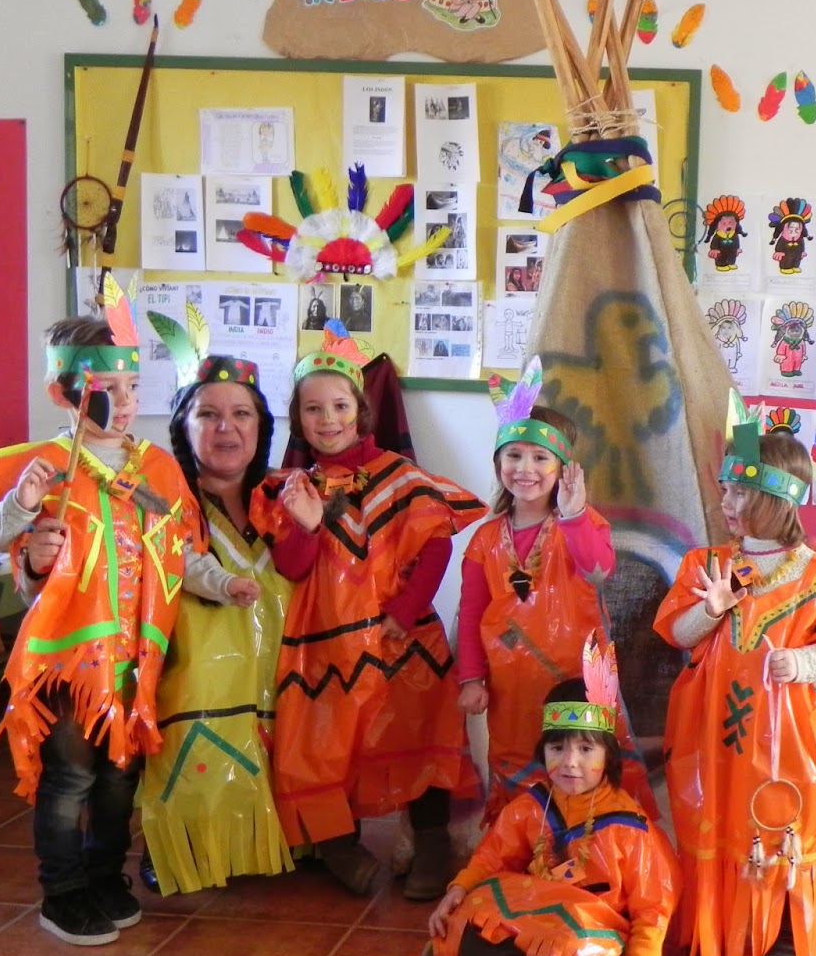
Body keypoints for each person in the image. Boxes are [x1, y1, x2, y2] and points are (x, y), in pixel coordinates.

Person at [0, 282, 219, 945]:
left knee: (119, 773)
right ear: (66, 392)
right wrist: (24, 512)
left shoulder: (155, 469)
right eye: (108, 389)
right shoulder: (42, 466)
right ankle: (63, 892)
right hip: (68, 660)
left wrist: (225, 584)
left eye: (132, 388)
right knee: (72, 774)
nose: (125, 403)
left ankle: (106, 876)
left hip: (134, 655)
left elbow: (182, 551)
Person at [251, 329, 487, 899]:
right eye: (313, 409)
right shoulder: (290, 487)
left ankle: (431, 843)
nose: (327, 419)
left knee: (420, 725)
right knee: (326, 740)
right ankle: (338, 845)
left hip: (402, 635)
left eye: (339, 406)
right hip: (325, 640)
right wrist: (309, 525)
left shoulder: (401, 476)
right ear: (298, 418)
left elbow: (436, 547)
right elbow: (290, 565)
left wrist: (404, 612)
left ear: (360, 410)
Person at [655, 403, 816, 956]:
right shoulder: (706, 564)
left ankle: (784, 928)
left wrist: (805, 662)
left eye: (740, 492)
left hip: (793, 738)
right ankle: (714, 923)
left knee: (785, 822)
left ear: (779, 498)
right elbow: (678, 634)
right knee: (718, 814)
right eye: (726, 491)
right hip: (716, 729)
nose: (727, 503)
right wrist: (711, 609)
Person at [425, 637, 679, 956]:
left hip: (589, 928)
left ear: (609, 757)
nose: (570, 762)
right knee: (472, 913)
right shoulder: (532, 806)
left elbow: (654, 908)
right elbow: (491, 858)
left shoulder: (631, 829)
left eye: (585, 749)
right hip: (531, 912)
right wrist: (458, 890)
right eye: (557, 748)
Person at [457, 356, 652, 822]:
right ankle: (520, 841)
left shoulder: (582, 523)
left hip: (575, 682)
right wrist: (470, 677)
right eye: (514, 456)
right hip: (510, 690)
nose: (525, 468)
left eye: (540, 457)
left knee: (579, 764)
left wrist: (574, 516)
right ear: (498, 463)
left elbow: (599, 569)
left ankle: (590, 845)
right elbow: (470, 612)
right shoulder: (484, 539)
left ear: (563, 468)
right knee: (516, 760)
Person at [138, 345, 295, 896]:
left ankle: (278, 843)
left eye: (241, 413)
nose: (226, 428)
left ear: (261, 426)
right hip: (191, 672)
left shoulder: (286, 495)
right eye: (208, 414)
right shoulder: (158, 501)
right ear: (183, 426)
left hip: (280, 670)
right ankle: (182, 848)